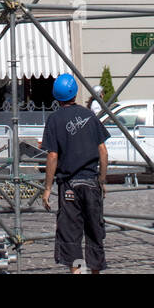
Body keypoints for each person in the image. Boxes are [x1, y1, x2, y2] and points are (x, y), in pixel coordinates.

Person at [41, 72, 110, 275]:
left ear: (56, 95)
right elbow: (103, 152)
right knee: (94, 232)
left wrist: (47, 188)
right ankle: (95, 272)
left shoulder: (54, 120)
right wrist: (102, 180)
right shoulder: (89, 115)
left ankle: (77, 272)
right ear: (74, 92)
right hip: (90, 182)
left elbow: (53, 156)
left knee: (71, 234)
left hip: (69, 185)